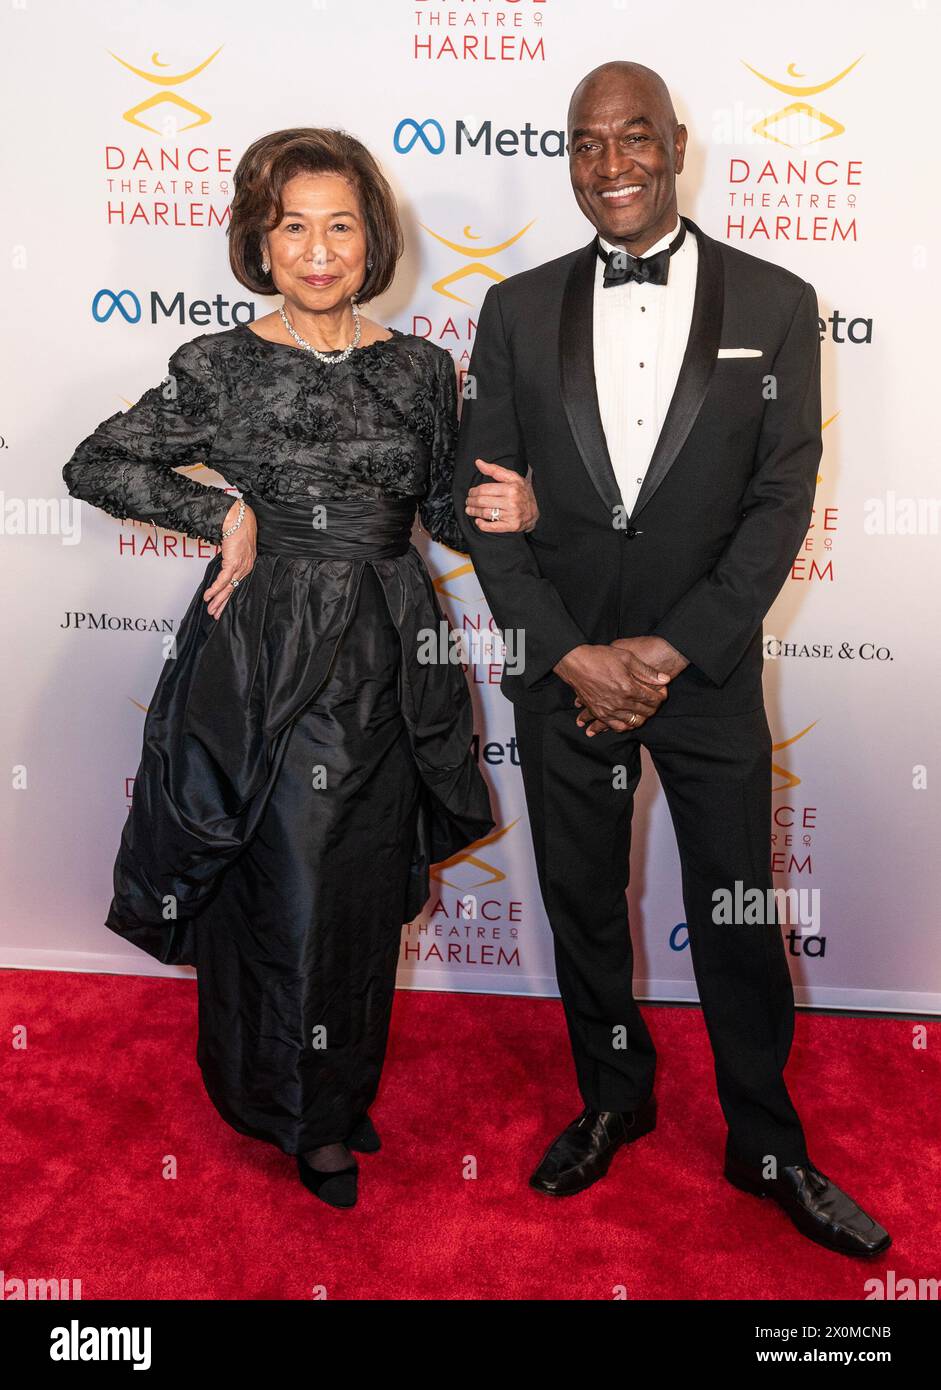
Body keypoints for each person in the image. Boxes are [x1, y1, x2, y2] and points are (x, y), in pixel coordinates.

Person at [453, 63, 891, 1258]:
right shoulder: (514, 307)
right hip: (564, 674)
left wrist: (668, 647)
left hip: (702, 675)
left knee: (735, 910)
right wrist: (567, 654)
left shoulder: (777, 300)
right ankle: (612, 1098)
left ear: (677, 143)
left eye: (633, 136)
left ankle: (766, 1143)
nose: (611, 164)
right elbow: (484, 504)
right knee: (582, 902)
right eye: (586, 143)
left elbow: (779, 499)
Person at [63, 127, 537, 1209]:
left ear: (372, 241)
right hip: (267, 657)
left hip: (389, 649)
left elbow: (436, 510)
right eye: (292, 228)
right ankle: (290, 1107)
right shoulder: (220, 366)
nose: (318, 252)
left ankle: (333, 1086)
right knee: (286, 882)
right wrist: (219, 512)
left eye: (340, 227)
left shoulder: (420, 368)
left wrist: (513, 507)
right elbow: (96, 462)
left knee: (362, 887)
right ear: (259, 241)